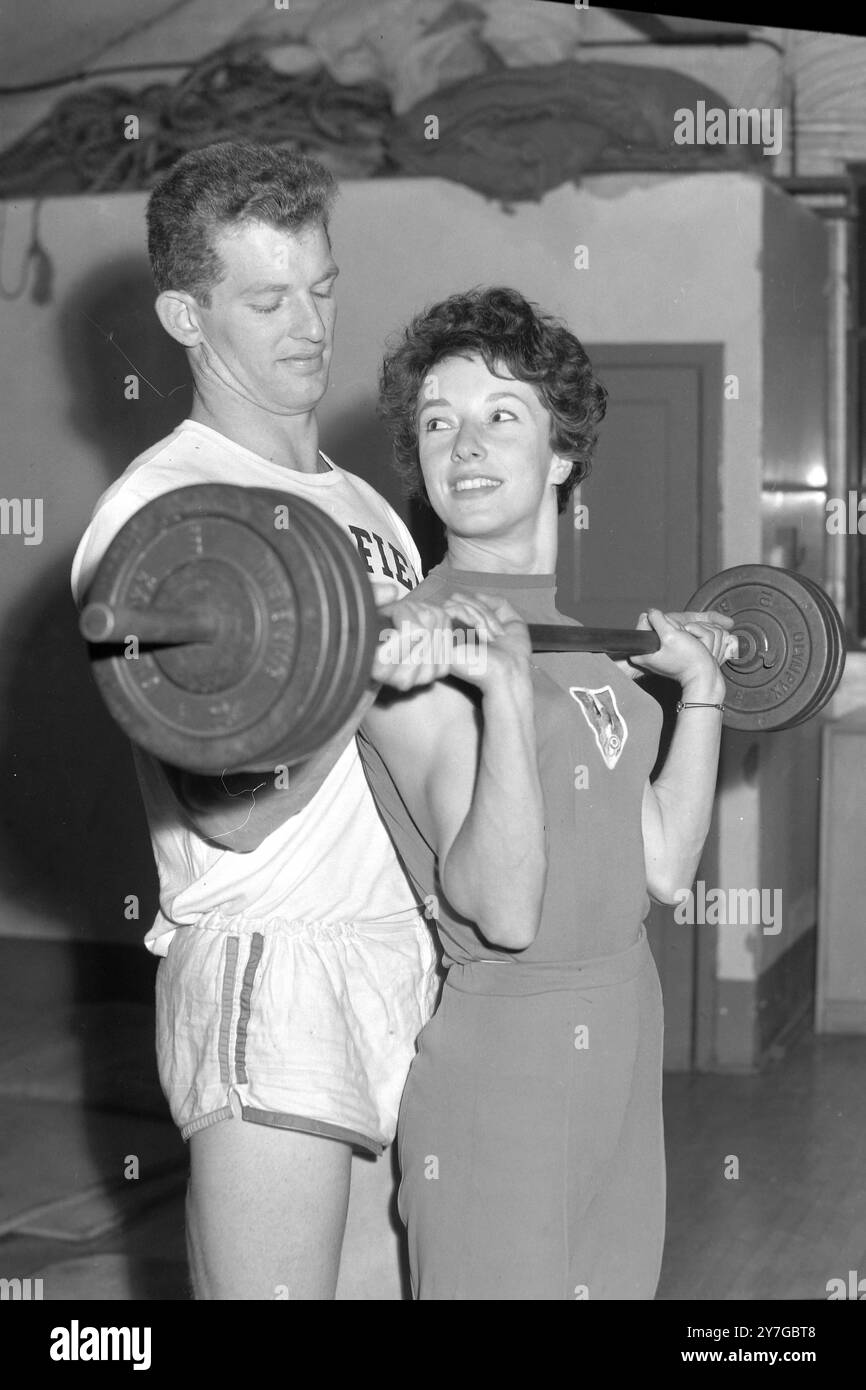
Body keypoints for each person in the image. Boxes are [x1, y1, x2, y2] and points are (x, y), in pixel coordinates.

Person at [70, 141, 473, 1300]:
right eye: (265, 299)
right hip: (275, 958)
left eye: (323, 287)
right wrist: (363, 670)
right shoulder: (160, 515)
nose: (308, 325)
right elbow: (234, 816)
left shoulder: (367, 512)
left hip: (400, 953)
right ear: (185, 316)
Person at [357, 285, 737, 1300]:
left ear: (561, 450)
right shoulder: (410, 645)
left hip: (622, 1034)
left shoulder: (591, 644)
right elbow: (504, 906)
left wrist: (699, 693)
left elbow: (658, 863)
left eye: (499, 415)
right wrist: (499, 696)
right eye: (437, 421)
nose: (464, 443)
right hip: (507, 1061)